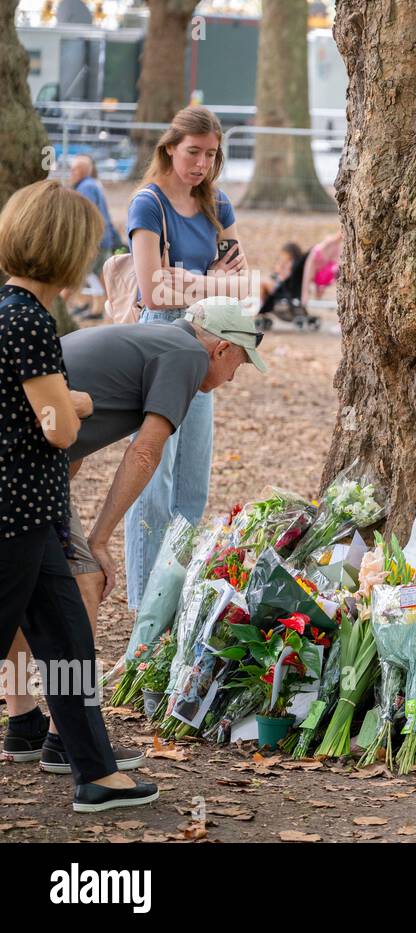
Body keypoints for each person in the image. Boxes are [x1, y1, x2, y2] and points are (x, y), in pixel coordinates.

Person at [2, 296, 266, 769]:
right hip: (17, 473)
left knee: (27, 588)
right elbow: (145, 453)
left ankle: (24, 724)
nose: (232, 379)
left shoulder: (152, 341)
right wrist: (99, 541)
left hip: (19, 469)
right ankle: (67, 741)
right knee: (82, 584)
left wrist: (57, 507)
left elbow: (76, 435)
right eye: (239, 364)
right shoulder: (186, 357)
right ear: (221, 349)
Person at [0, 180, 157, 812]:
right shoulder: (31, 322)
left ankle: (94, 769)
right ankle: (91, 766)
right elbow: (59, 427)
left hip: (33, 516)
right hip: (17, 515)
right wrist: (82, 402)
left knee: (67, 641)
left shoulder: (10, 313)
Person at [123, 106, 250, 613]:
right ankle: (141, 607)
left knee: (192, 485)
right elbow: (152, 291)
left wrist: (193, 281)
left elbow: (242, 285)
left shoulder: (218, 204)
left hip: (206, 343)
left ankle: (170, 599)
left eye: (211, 154)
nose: (201, 163)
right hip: (160, 342)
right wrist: (211, 280)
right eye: (193, 152)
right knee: (155, 478)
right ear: (170, 148)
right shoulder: (148, 204)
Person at [65, 154, 117, 319]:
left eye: (73, 169)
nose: (70, 173)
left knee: (75, 273)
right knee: (99, 276)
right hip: (104, 238)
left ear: (81, 171)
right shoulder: (92, 184)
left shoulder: (85, 187)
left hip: (94, 240)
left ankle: (57, 309)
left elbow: (83, 215)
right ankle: (97, 308)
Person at [300, 229, 341, 307]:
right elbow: (322, 251)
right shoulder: (331, 241)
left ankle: (305, 296)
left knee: (309, 279)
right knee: (307, 278)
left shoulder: (337, 246)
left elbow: (335, 261)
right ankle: (304, 296)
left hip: (320, 263)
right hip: (317, 258)